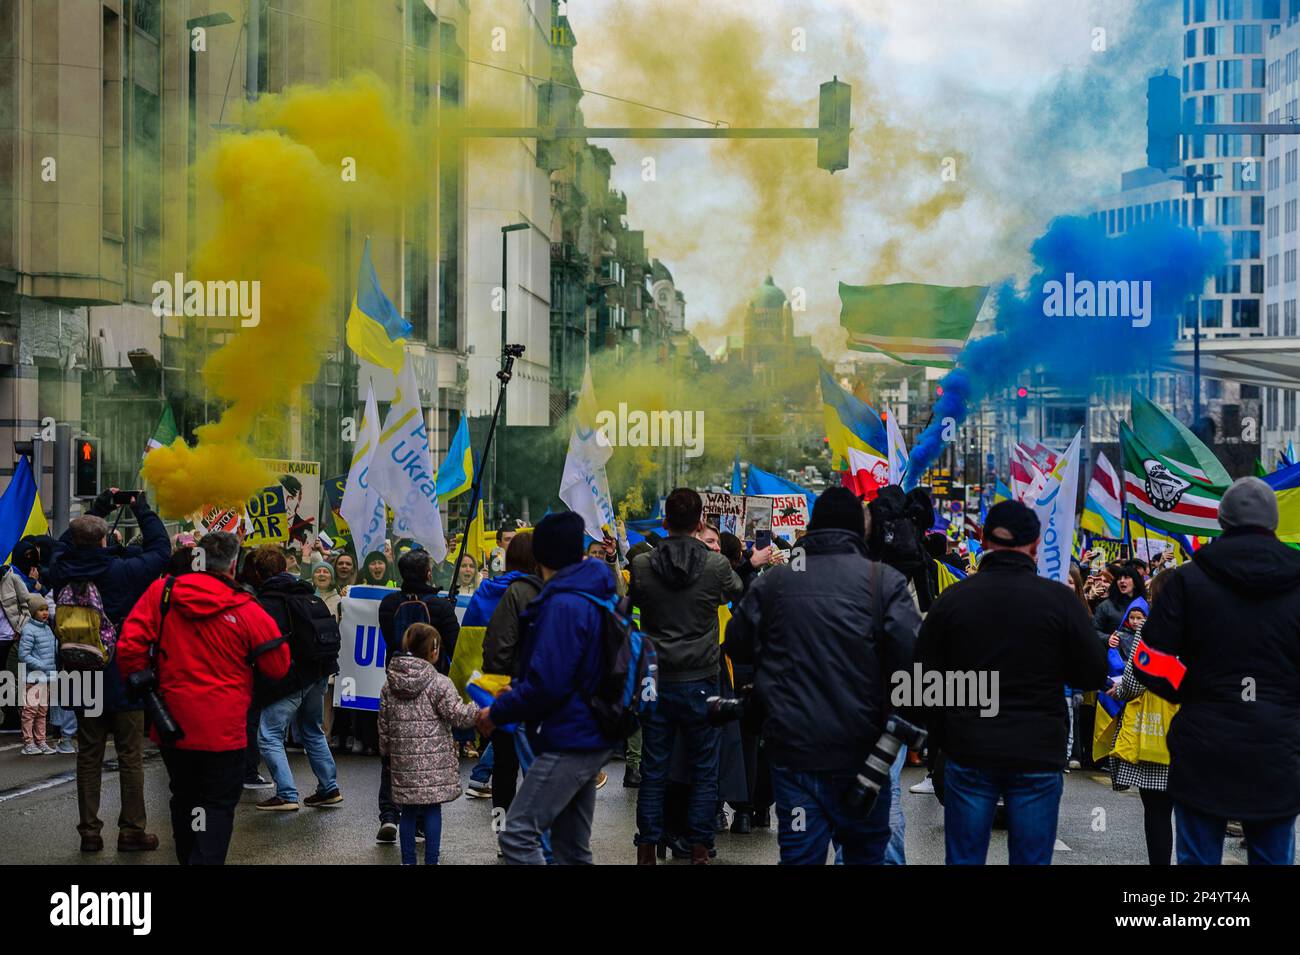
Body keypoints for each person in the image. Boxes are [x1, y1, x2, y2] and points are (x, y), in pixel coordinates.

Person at [725, 487, 921, 864]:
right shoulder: (883, 582)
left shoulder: (776, 583)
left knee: (800, 856)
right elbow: (912, 660)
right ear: (858, 531)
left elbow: (737, 643)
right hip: (864, 755)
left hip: (795, 752)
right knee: (866, 853)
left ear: (814, 528)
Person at [915, 500, 1108, 865]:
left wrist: (944, 728)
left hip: (969, 748)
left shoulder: (953, 600)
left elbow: (920, 685)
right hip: (1036, 750)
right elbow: (1093, 673)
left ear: (984, 540)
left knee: (965, 858)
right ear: (1036, 545)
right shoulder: (1058, 601)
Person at [1135, 477, 1300, 866]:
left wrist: (1188, 689)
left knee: (1197, 860)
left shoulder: (1188, 580)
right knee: (1274, 858)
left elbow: (1147, 660)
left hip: (1204, 743)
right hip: (1278, 745)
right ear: (1273, 523)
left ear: (1222, 521)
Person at [117, 532, 291, 865]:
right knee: (215, 805)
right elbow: (278, 665)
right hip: (223, 730)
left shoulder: (163, 592)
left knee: (186, 798)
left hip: (173, 721)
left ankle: (190, 858)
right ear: (234, 564)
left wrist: (146, 682)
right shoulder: (245, 606)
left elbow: (129, 647)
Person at [478, 512, 620, 865]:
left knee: (518, 835)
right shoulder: (594, 590)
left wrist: (497, 712)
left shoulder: (564, 604)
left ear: (541, 556)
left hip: (568, 734)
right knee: (571, 848)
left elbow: (548, 684)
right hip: (593, 731)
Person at [47, 490, 170, 853]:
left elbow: (61, 544)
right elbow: (161, 549)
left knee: (88, 753)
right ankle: (132, 830)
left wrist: (99, 507)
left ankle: (89, 831)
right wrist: (141, 506)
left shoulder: (59, 569)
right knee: (130, 753)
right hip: (122, 670)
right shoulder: (122, 571)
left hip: (78, 671)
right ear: (104, 540)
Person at [629, 488, 744, 864]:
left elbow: (631, 602)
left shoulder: (644, 566)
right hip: (701, 678)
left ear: (664, 522)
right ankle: (699, 847)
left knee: (654, 766)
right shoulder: (714, 565)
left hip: (657, 678)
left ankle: (647, 846)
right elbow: (736, 590)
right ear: (699, 524)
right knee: (704, 767)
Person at [242, 546, 343, 812]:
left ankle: (286, 793)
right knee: (312, 730)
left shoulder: (266, 603)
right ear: (285, 569)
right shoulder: (307, 594)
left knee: (269, 734)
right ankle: (329, 788)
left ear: (257, 574)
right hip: (319, 670)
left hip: (291, 676)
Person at [374, 549, 462, 843]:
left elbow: (391, 639)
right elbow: (455, 641)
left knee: (395, 753)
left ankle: (389, 815)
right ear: (427, 573)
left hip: (397, 680)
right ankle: (423, 822)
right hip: (431, 684)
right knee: (424, 755)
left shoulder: (388, 604)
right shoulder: (439, 607)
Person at [379, 622, 481, 865]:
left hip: (402, 759)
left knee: (408, 811)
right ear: (433, 651)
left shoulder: (389, 684)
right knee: (432, 809)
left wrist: (387, 754)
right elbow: (459, 716)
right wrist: (479, 701)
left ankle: (407, 861)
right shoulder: (439, 683)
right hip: (434, 761)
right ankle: (431, 861)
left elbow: (383, 723)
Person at [1106, 571, 1176, 865]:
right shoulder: (1205, 628)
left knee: (1157, 811)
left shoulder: (1149, 632)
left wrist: (1117, 688)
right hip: (1192, 729)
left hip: (1153, 730)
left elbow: (1134, 682)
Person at [478, 532, 543, 818]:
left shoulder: (511, 592)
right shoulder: (550, 590)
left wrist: (494, 688)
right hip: (543, 692)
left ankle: (503, 835)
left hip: (509, 690)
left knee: (504, 768)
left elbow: (497, 646)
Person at [17, 594, 58, 755]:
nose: (45, 612)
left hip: (46, 678)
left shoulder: (47, 628)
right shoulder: (29, 630)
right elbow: (24, 655)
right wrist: (43, 666)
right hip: (33, 678)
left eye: (46, 609)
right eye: (41, 610)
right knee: (30, 711)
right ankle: (28, 743)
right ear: (33, 612)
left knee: (42, 711)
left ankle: (41, 741)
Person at [1093, 565, 1145, 640]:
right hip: (1113, 650)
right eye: (1119, 578)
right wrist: (1108, 638)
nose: (1122, 581)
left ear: (1135, 582)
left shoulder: (1144, 605)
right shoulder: (1106, 606)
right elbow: (1094, 631)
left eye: (1126, 577)